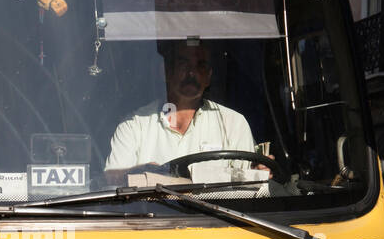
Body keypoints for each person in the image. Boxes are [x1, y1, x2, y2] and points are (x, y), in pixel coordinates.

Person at [103, 41, 266, 186]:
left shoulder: (234, 124)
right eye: (183, 64)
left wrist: (259, 170)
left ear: (208, 76)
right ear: (165, 71)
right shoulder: (135, 125)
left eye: (200, 66)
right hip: (152, 217)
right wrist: (143, 171)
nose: (191, 73)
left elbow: (249, 187)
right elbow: (111, 180)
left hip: (219, 218)